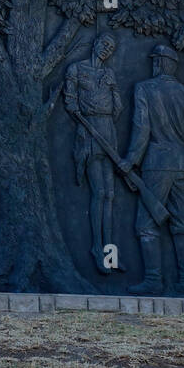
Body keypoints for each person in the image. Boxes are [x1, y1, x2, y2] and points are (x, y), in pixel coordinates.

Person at [121, 45, 184, 296]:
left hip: (156, 165)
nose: (153, 64)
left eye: (155, 61)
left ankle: (154, 280)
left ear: (160, 63)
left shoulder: (144, 89)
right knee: (183, 225)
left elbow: (142, 129)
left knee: (146, 225)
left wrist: (131, 160)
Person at [63, 34, 124, 274]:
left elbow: (117, 103)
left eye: (111, 47)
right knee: (99, 192)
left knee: (110, 194)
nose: (107, 50)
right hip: (88, 131)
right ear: (95, 43)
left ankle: (110, 251)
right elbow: (70, 101)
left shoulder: (109, 74)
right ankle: (97, 248)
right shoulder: (76, 69)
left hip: (107, 129)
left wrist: (107, 115)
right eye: (104, 44)